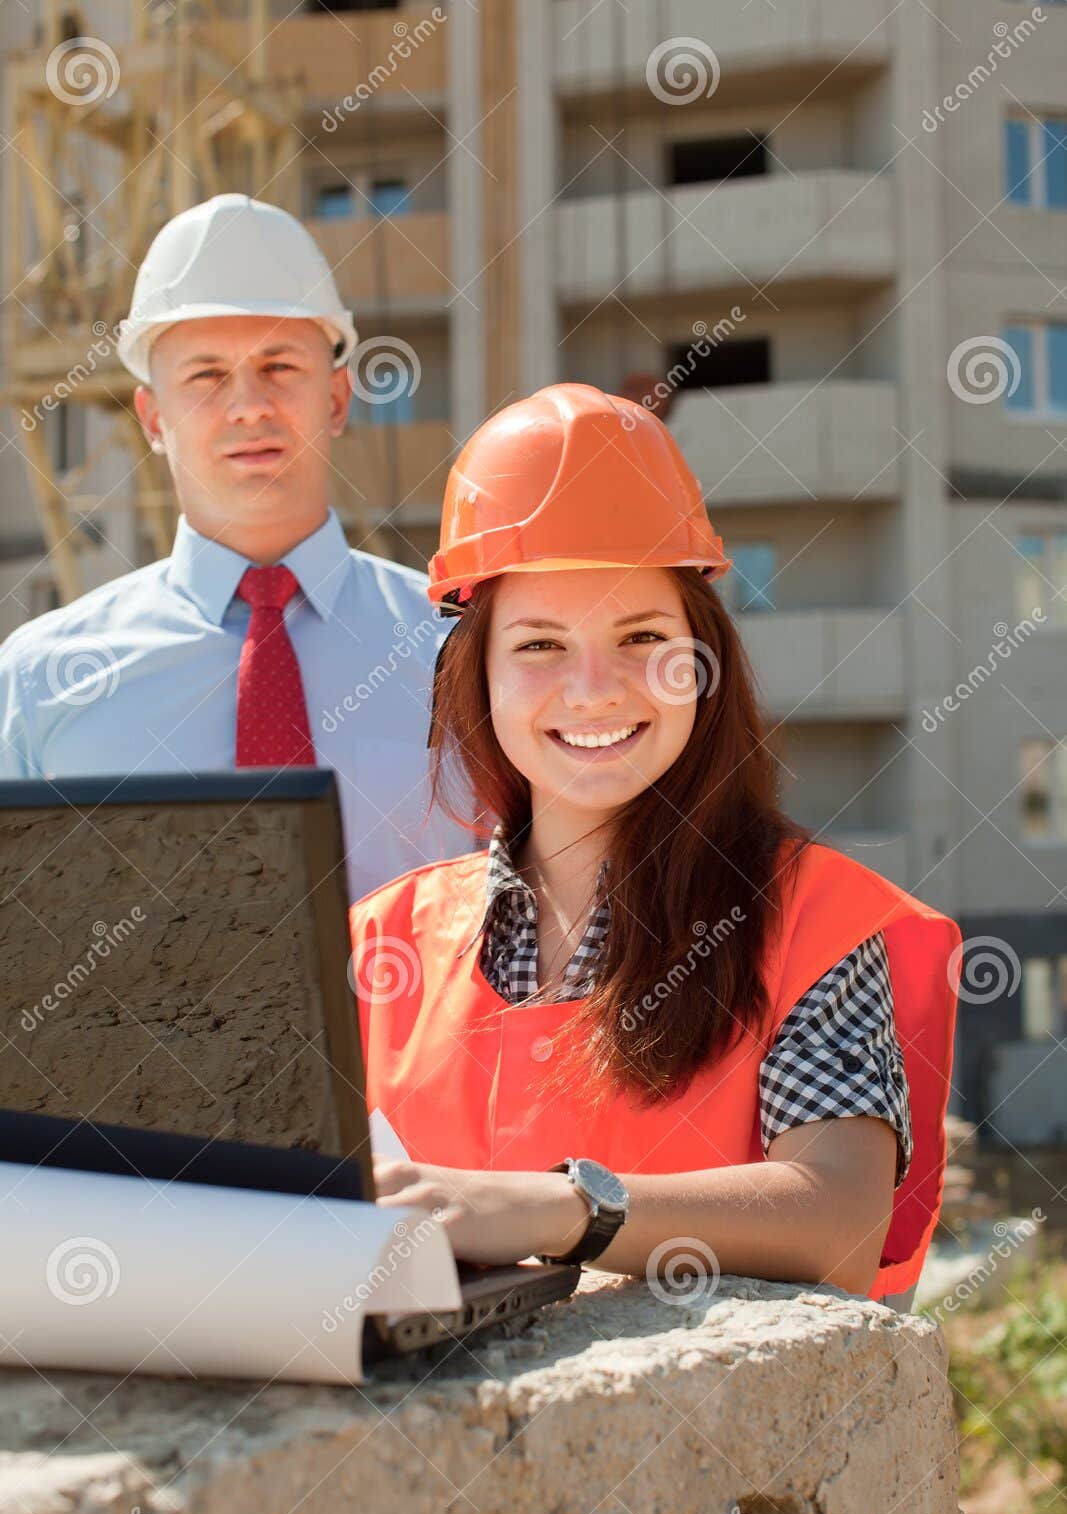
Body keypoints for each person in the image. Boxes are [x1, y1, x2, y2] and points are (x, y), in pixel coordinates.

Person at [349, 383, 962, 1307]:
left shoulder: (817, 926)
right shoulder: (377, 944)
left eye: (639, 636)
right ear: (472, 675)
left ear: (702, 663)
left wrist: (564, 1210)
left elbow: (838, 1219)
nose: (593, 690)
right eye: (540, 645)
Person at [0, 194, 467, 899]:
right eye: (207, 375)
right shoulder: (38, 682)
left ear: (337, 399)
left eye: (279, 366)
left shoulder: (460, 658)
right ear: (153, 418)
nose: (248, 404)